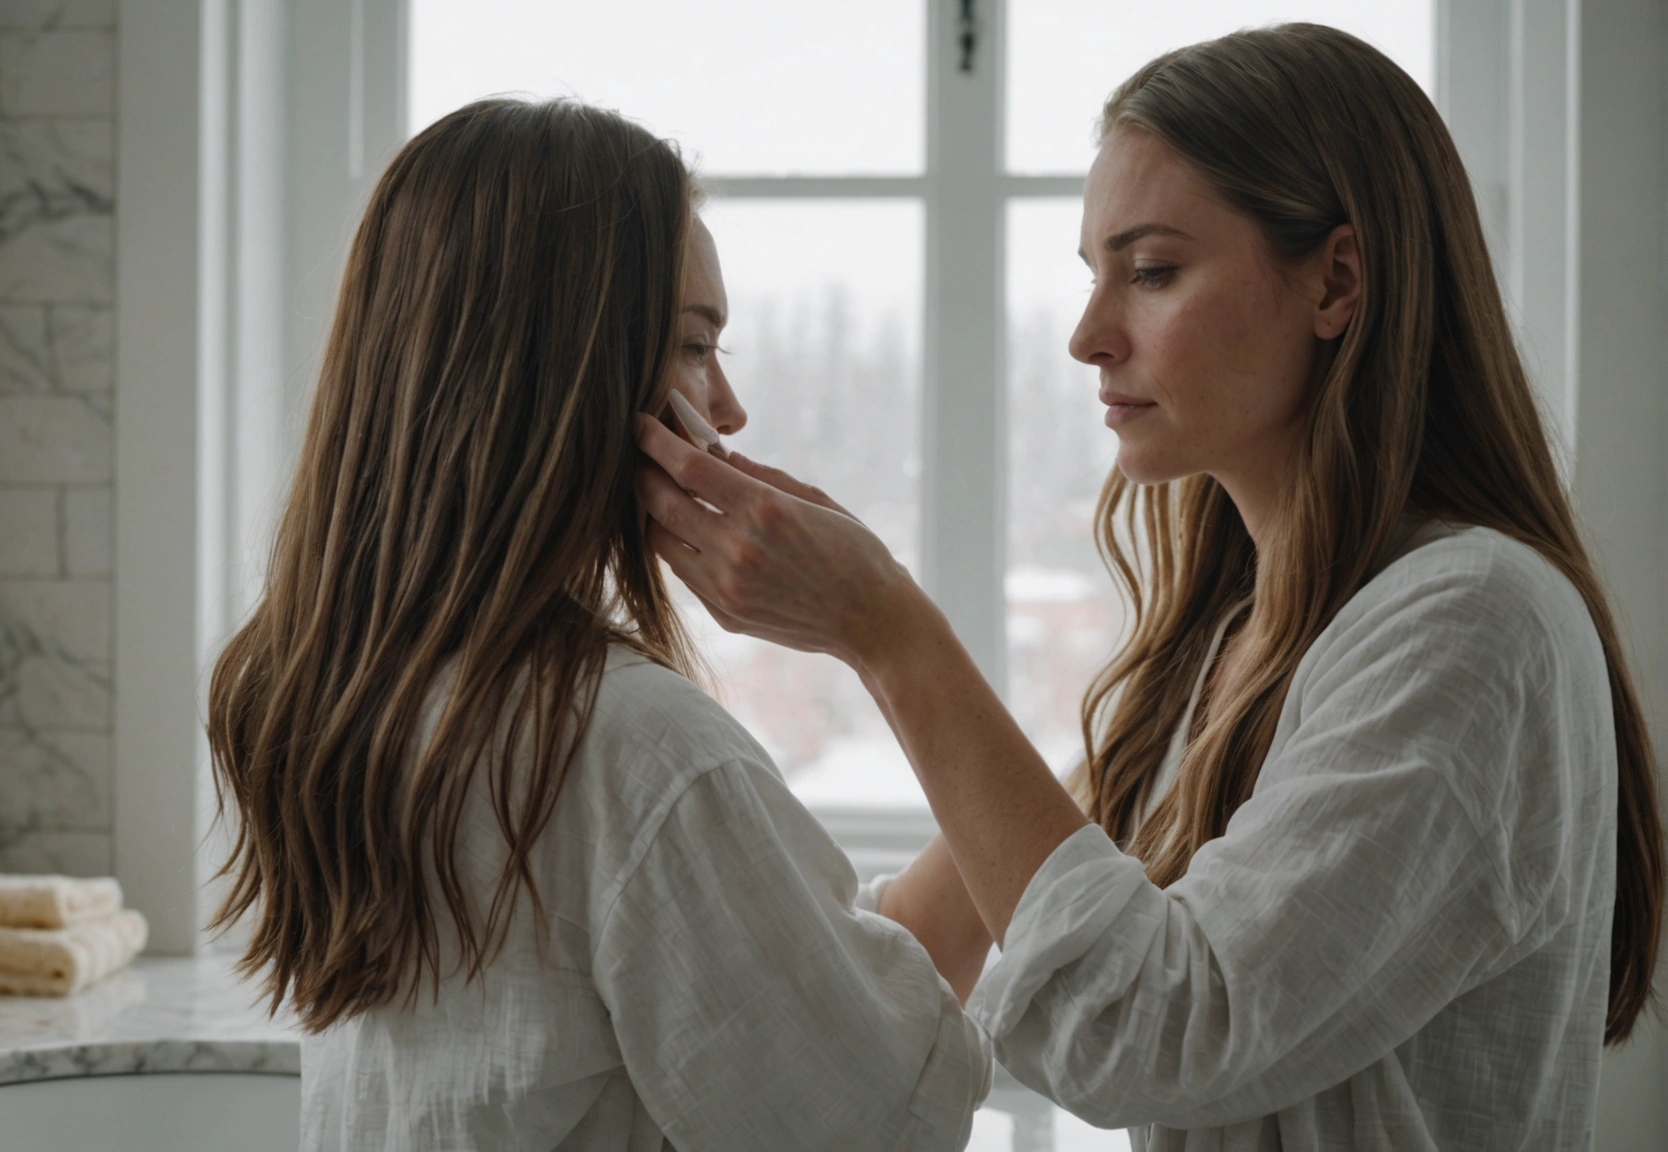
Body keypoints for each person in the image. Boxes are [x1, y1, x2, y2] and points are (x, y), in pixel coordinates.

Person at [635, 23, 1663, 1150]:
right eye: (1094, 275)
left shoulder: (1474, 622)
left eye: (1154, 271)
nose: (1087, 336)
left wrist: (893, 636)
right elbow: (940, 953)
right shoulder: (1224, 647)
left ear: (1338, 280)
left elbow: (1156, 1035)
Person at [205, 98, 993, 1151]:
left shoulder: (335, 695)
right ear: (559, 375)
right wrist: (891, 630)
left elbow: (784, 998)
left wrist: (1035, 800)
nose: (729, 408)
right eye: (694, 347)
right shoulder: (634, 750)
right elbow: (877, 1116)